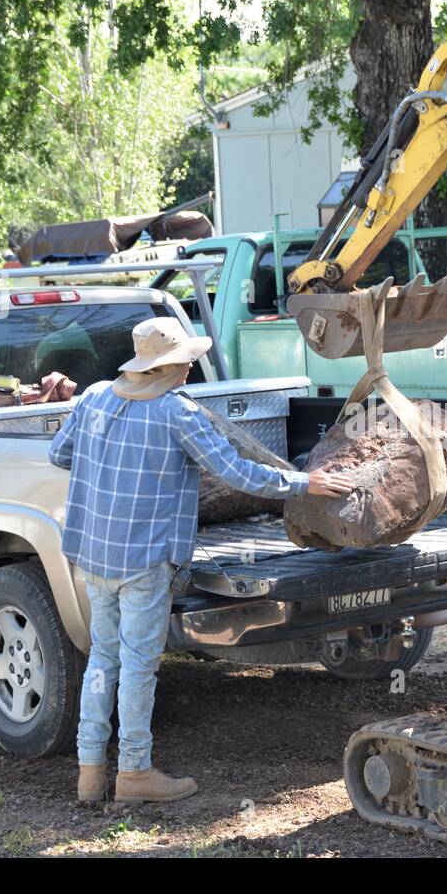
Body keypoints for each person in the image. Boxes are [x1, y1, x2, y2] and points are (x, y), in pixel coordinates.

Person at [49, 318, 353, 804]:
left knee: (103, 660)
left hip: (94, 553)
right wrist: (305, 483)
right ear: (168, 366)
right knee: (138, 666)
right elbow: (236, 473)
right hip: (145, 560)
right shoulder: (176, 414)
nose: (191, 367)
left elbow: (59, 456)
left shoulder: (94, 398)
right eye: (187, 360)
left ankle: (90, 774)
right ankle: (133, 772)